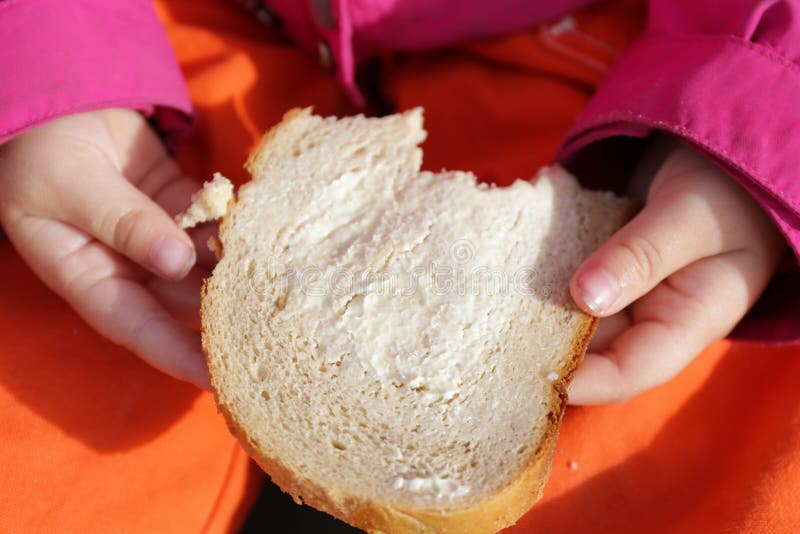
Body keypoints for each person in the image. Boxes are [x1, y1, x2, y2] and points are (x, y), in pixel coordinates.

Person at [0, 0, 798, 531]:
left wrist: (754, 111)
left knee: (704, 467)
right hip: (158, 31)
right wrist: (44, 64)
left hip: (645, 55)